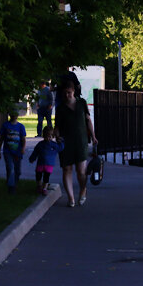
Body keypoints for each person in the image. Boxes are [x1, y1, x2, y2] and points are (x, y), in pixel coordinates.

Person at [55, 74, 97, 207]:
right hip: (66, 142)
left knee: (81, 170)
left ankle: (83, 190)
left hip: (81, 141)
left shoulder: (81, 103)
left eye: (69, 92)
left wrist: (94, 136)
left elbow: (88, 120)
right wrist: (57, 136)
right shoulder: (60, 108)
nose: (67, 95)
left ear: (73, 91)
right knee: (67, 169)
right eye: (64, 93)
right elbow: (57, 126)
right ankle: (71, 198)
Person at [0, 110, 27, 193]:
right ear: (9, 114)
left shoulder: (20, 126)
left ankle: (14, 183)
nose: (14, 116)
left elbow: (23, 139)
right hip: (8, 151)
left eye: (15, 114)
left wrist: (23, 148)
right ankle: (11, 187)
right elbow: (1, 139)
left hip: (17, 152)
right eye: (12, 114)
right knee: (10, 168)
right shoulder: (5, 125)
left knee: (18, 171)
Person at [29, 126, 64, 195]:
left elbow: (60, 148)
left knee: (46, 176)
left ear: (52, 136)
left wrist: (61, 141)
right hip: (40, 163)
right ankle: (39, 186)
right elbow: (35, 152)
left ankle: (44, 188)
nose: (48, 138)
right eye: (47, 136)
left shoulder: (54, 145)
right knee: (38, 175)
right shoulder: (40, 144)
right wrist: (32, 159)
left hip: (49, 164)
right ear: (43, 136)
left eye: (50, 136)